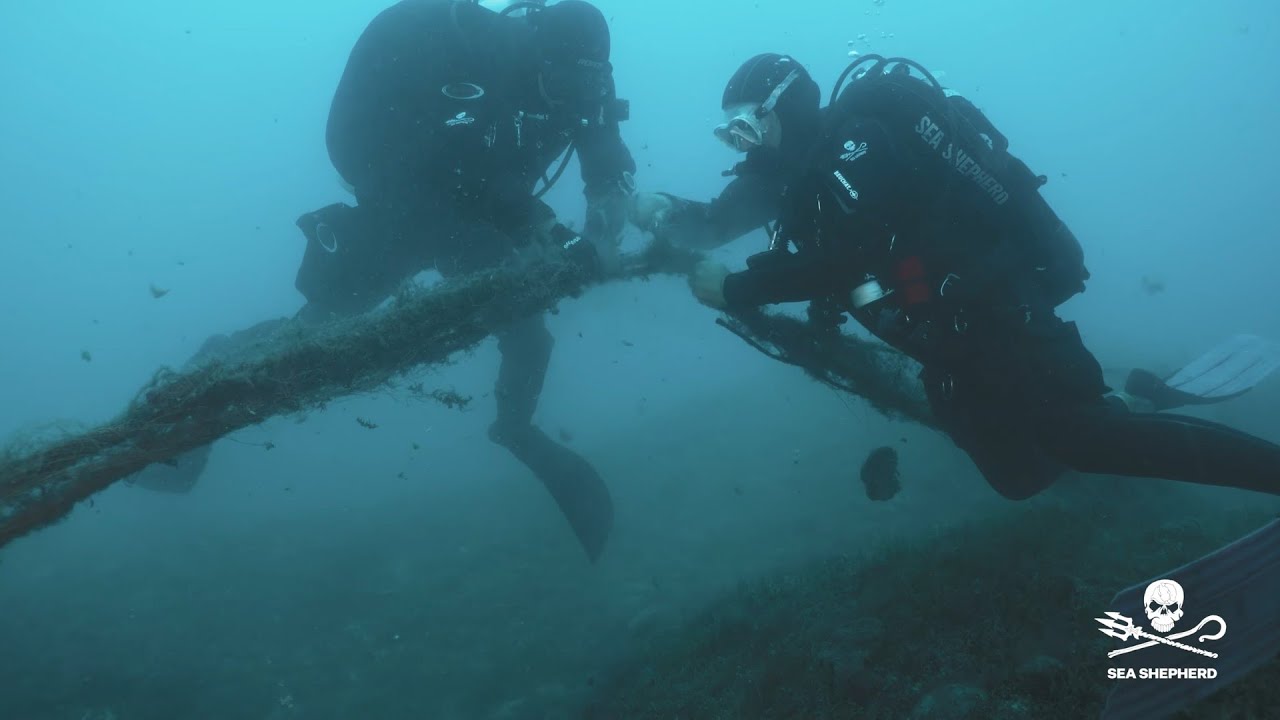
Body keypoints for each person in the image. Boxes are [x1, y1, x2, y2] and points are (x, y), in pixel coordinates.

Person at [128, 0, 636, 564]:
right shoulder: (477, 53)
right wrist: (541, 225)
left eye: (582, 85)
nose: (568, 97)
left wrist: (610, 194)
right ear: (539, 56)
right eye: (560, 82)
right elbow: (454, 160)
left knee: (528, 332)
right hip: (405, 200)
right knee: (320, 330)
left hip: (485, 215)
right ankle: (205, 381)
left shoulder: (580, 78)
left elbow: (598, 133)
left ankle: (515, 429)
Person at [684, 51, 1280, 501]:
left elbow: (842, 262)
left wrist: (737, 289)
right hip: (948, 335)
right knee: (1017, 477)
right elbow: (829, 254)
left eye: (747, 125)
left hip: (996, 312)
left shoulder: (854, 149)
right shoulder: (808, 176)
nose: (741, 143)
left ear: (785, 107)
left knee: (1087, 441)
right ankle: (1134, 395)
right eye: (729, 132)